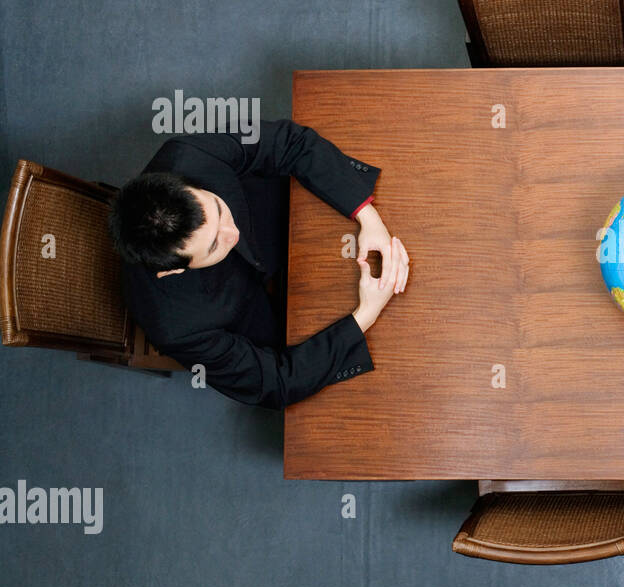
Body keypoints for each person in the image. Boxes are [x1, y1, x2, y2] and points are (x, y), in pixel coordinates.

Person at [108, 119, 409, 408]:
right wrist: (367, 312)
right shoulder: (175, 328)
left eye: (218, 209)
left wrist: (367, 216)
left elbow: (290, 142)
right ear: (174, 269)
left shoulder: (186, 154)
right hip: (253, 316)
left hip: (281, 214)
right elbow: (275, 383)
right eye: (214, 244)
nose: (233, 233)